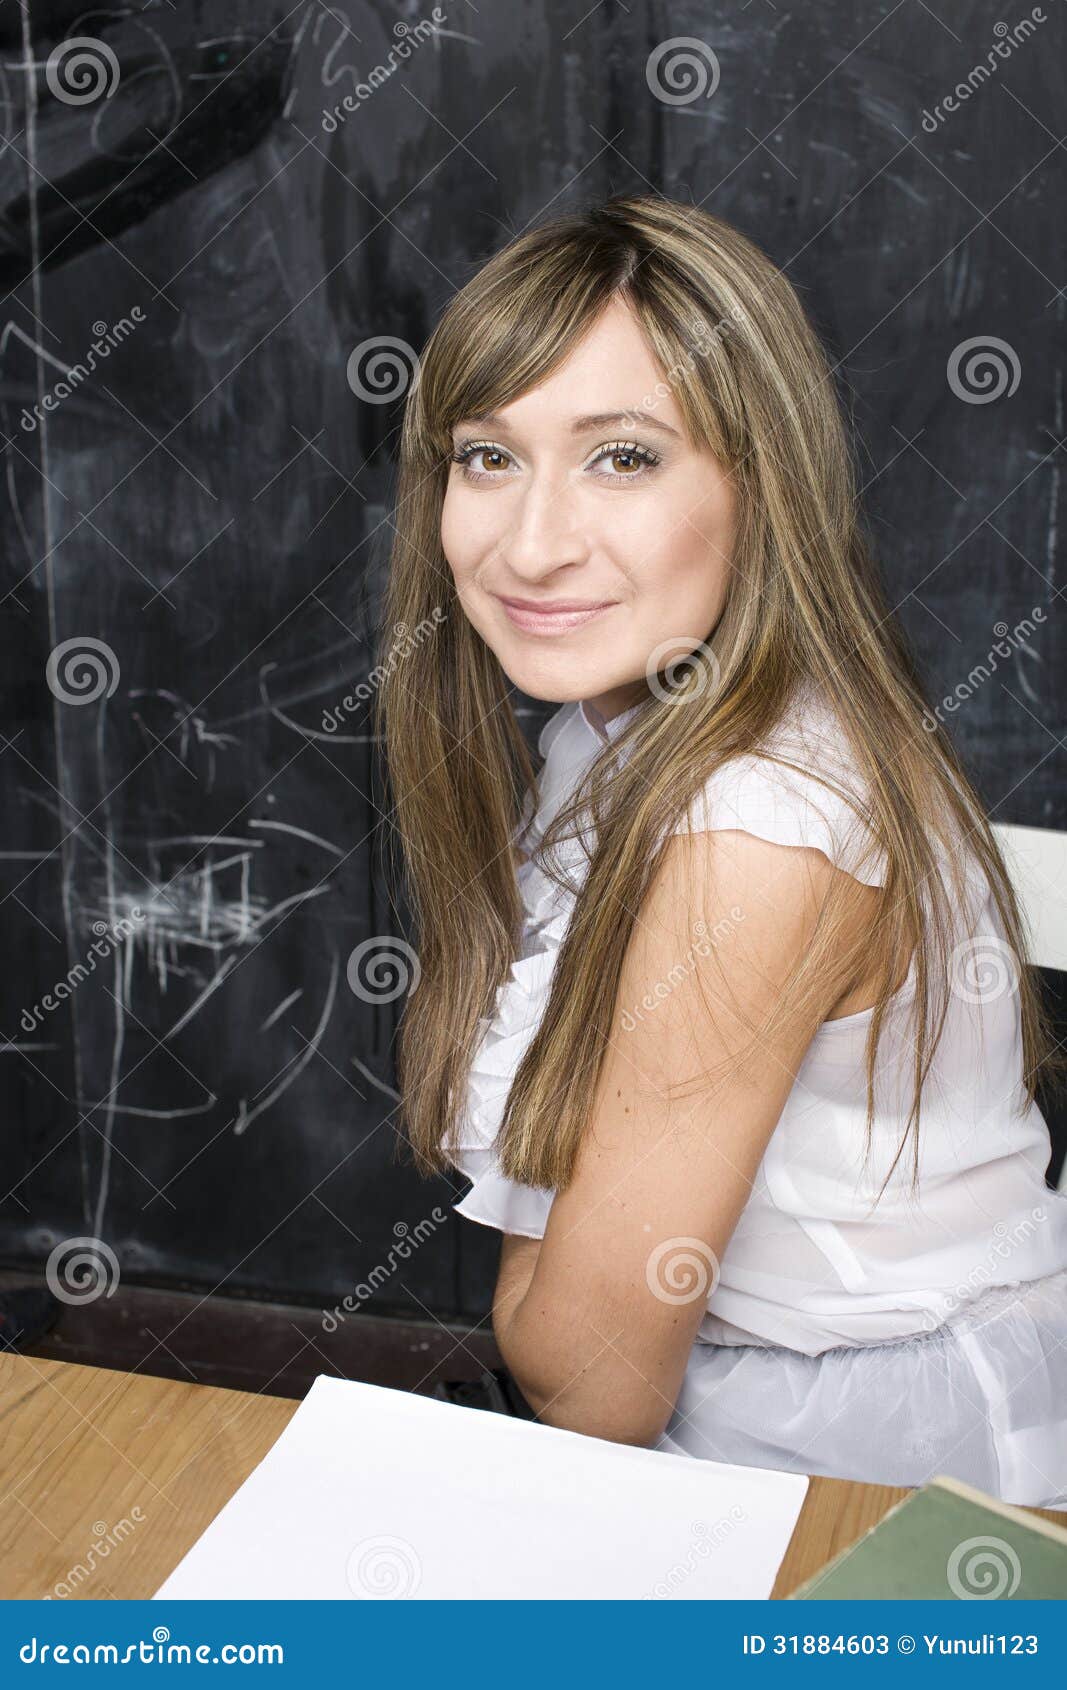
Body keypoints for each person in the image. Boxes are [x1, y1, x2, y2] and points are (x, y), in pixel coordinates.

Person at [375, 193, 1067, 1508]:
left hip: (889, 1467)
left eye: (623, 457)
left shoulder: (758, 825)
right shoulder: (630, 708)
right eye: (487, 456)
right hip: (735, 1410)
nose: (532, 543)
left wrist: (545, 1228)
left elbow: (592, 1377)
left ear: (765, 485)